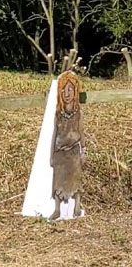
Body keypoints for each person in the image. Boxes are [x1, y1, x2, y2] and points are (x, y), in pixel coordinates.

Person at [50, 70, 84, 220]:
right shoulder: (58, 113)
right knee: (58, 180)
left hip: (74, 151)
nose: (67, 93)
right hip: (60, 151)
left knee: (75, 178)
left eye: (70, 89)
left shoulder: (78, 113)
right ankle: (57, 209)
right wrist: (51, 154)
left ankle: (77, 206)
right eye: (64, 89)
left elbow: (81, 132)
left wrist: (84, 150)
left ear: (75, 91)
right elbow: (54, 134)